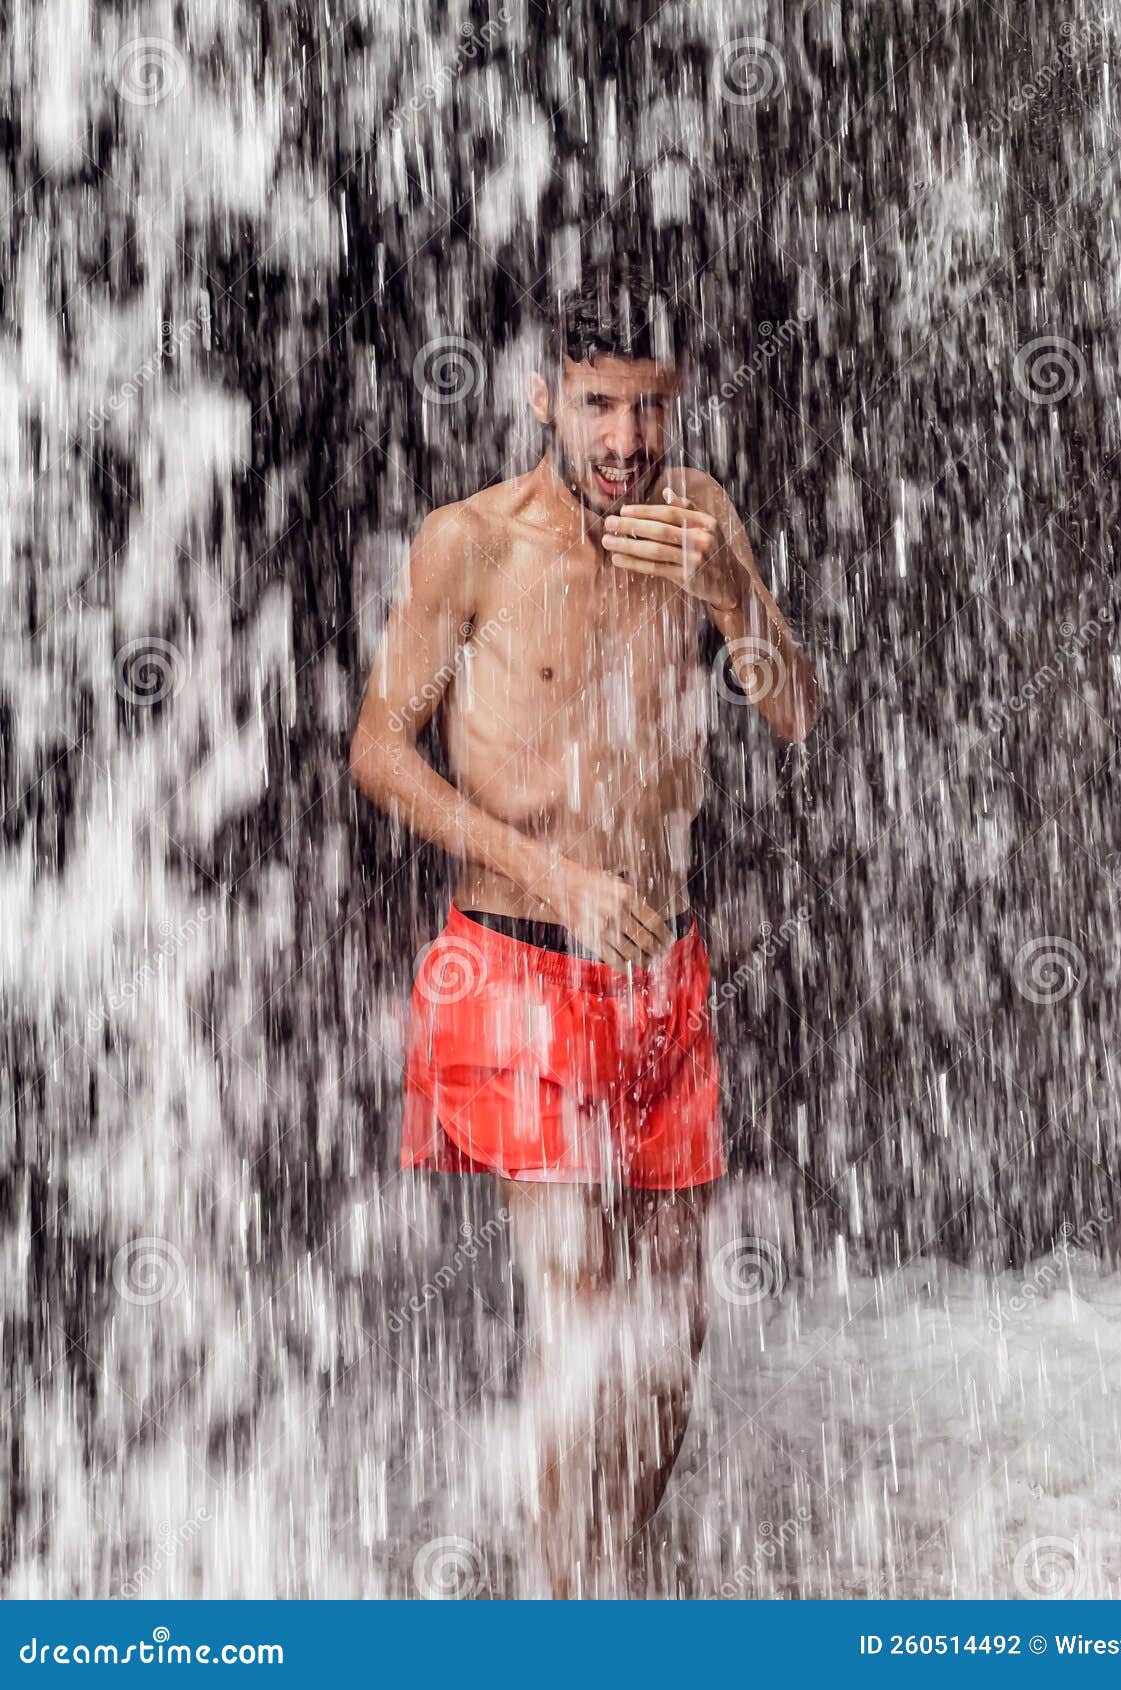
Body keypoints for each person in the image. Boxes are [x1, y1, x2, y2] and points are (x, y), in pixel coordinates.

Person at [350, 257, 819, 1597]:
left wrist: (734, 585)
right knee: (579, 1316)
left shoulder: (702, 518)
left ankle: (603, 1578)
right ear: (545, 397)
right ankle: (579, 1626)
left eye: (653, 410)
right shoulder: (473, 541)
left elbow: (796, 713)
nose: (626, 441)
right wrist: (555, 883)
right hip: (512, 967)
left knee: (669, 1339)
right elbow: (378, 750)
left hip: (662, 972)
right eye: (601, 405)